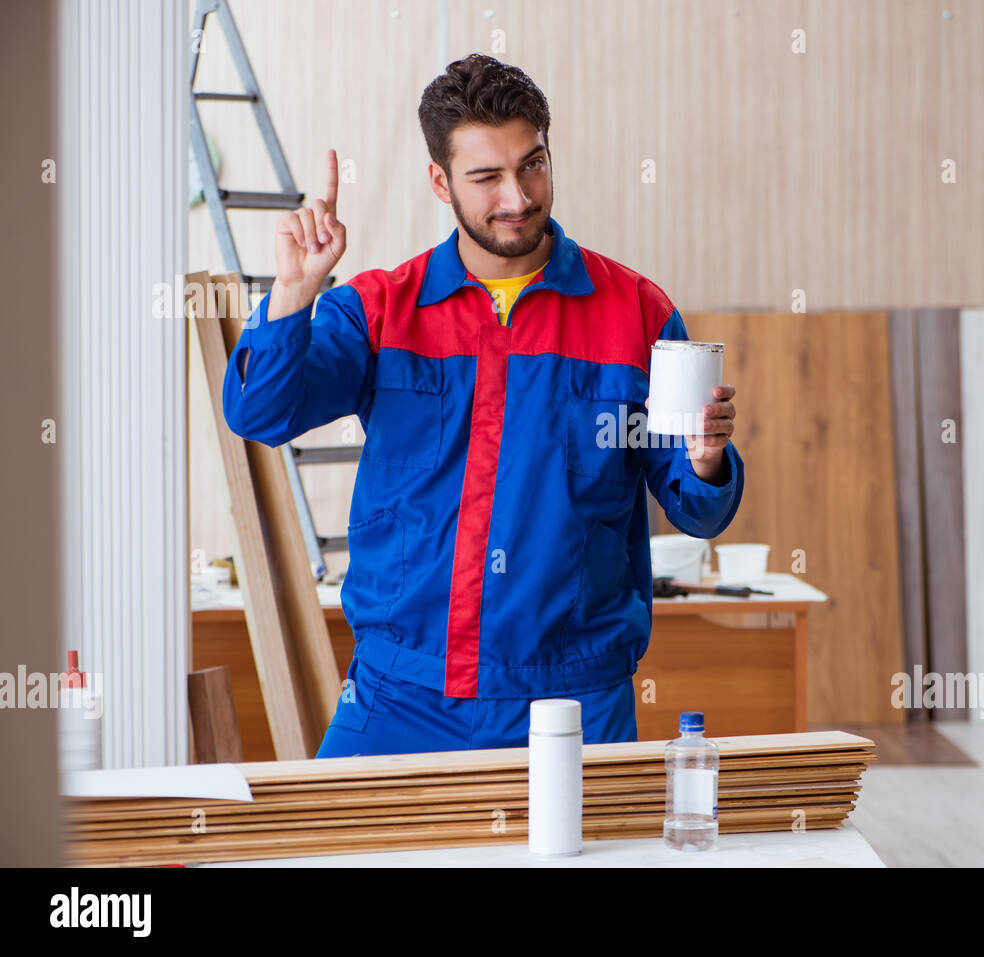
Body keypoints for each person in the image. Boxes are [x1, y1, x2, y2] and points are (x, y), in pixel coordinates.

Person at [223, 53, 744, 757]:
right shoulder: (379, 311)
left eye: (532, 164)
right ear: (440, 181)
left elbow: (696, 507)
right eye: (486, 177)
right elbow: (260, 413)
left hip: (573, 694)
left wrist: (708, 460)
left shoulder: (638, 314)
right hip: (402, 690)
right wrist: (293, 292)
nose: (517, 196)